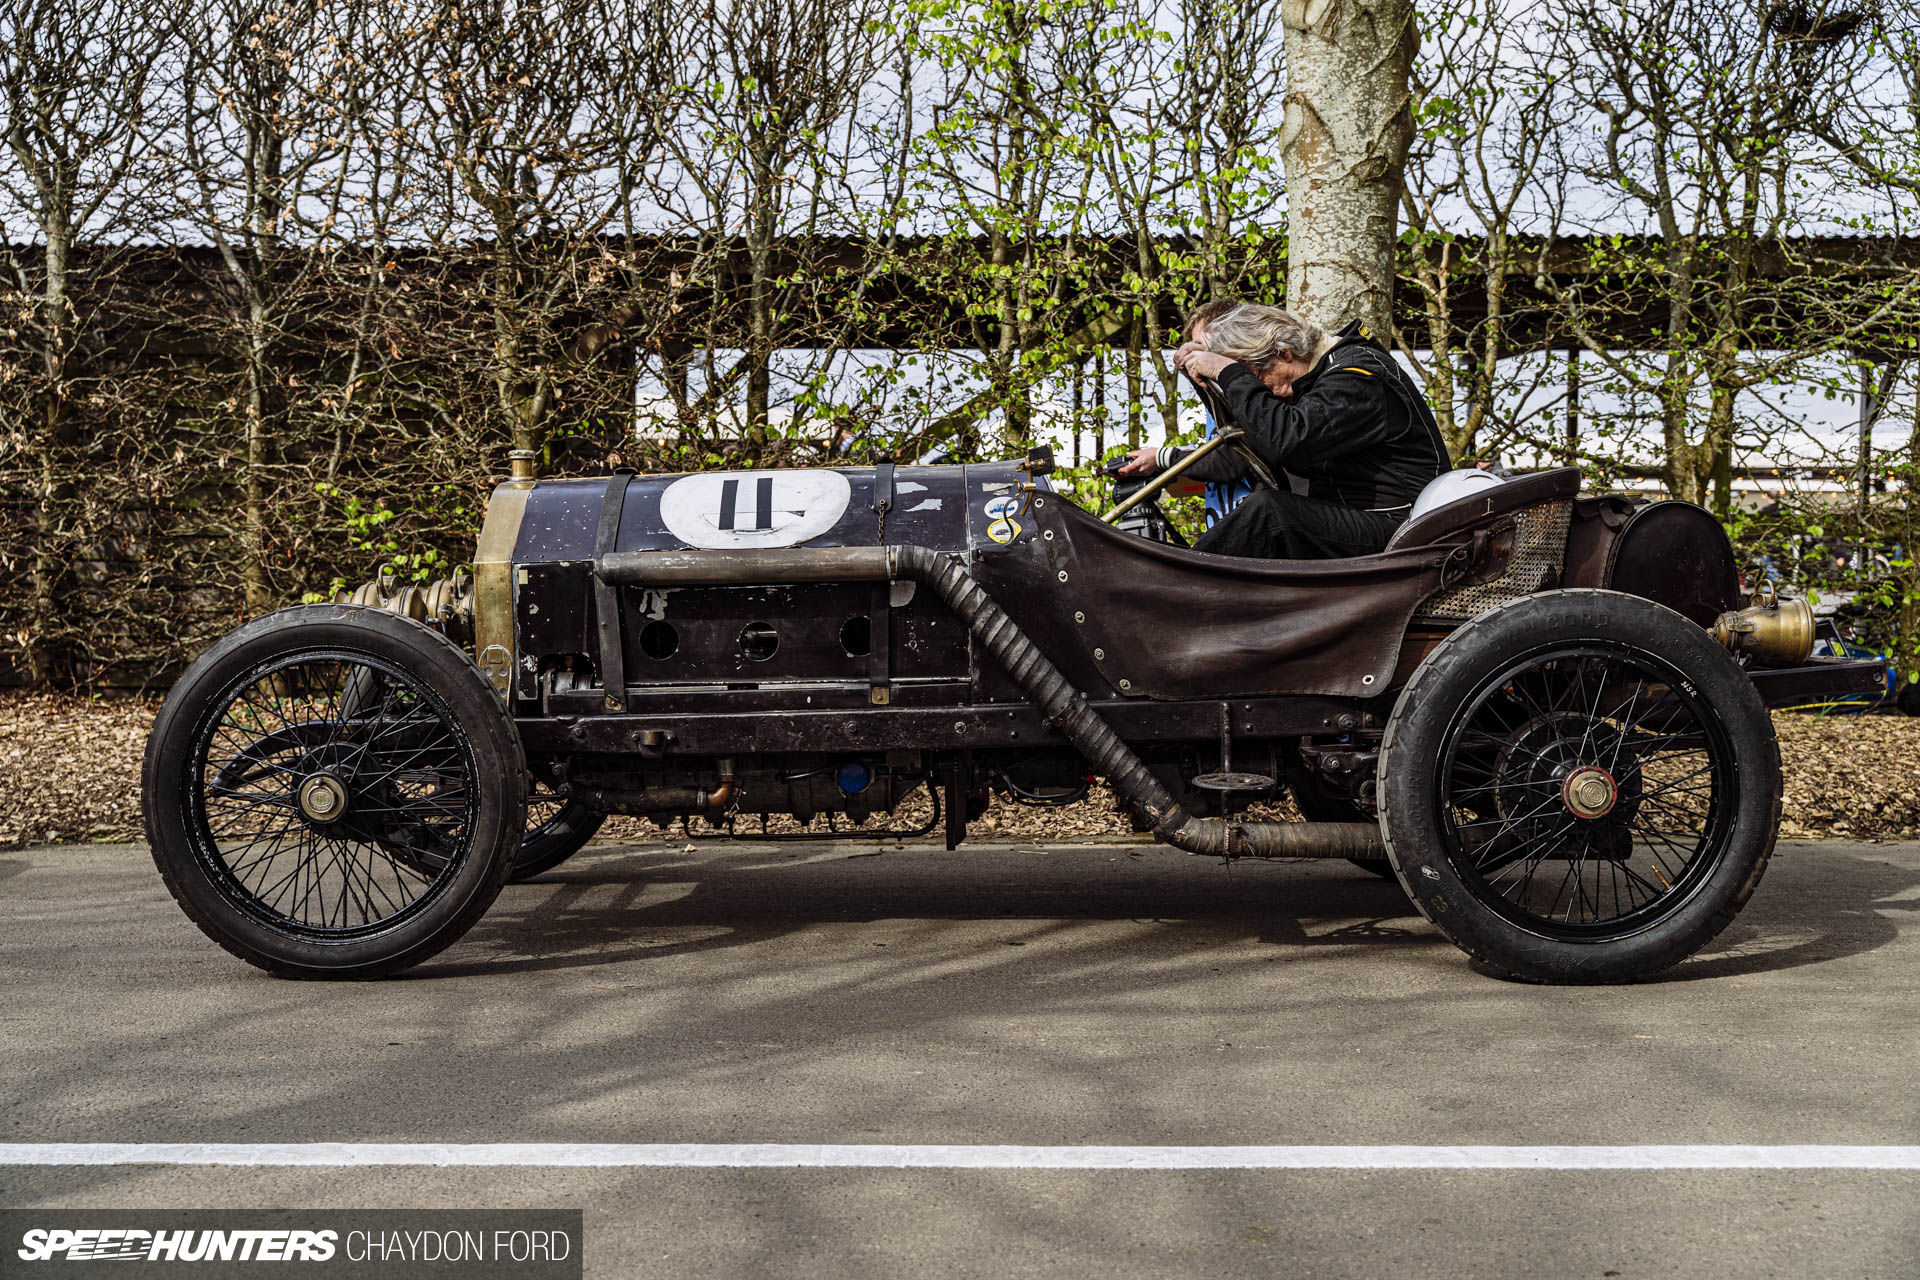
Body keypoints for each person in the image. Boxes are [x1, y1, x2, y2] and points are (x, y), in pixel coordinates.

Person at [1118, 303, 1449, 559]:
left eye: (1258, 378)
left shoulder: (1359, 376)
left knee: (1271, 513)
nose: (1265, 391)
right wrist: (1209, 384)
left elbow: (1285, 441)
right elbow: (1250, 443)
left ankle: (1171, 590)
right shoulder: (1324, 378)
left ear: (1284, 354)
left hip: (1404, 528)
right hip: (1373, 521)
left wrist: (1229, 372)